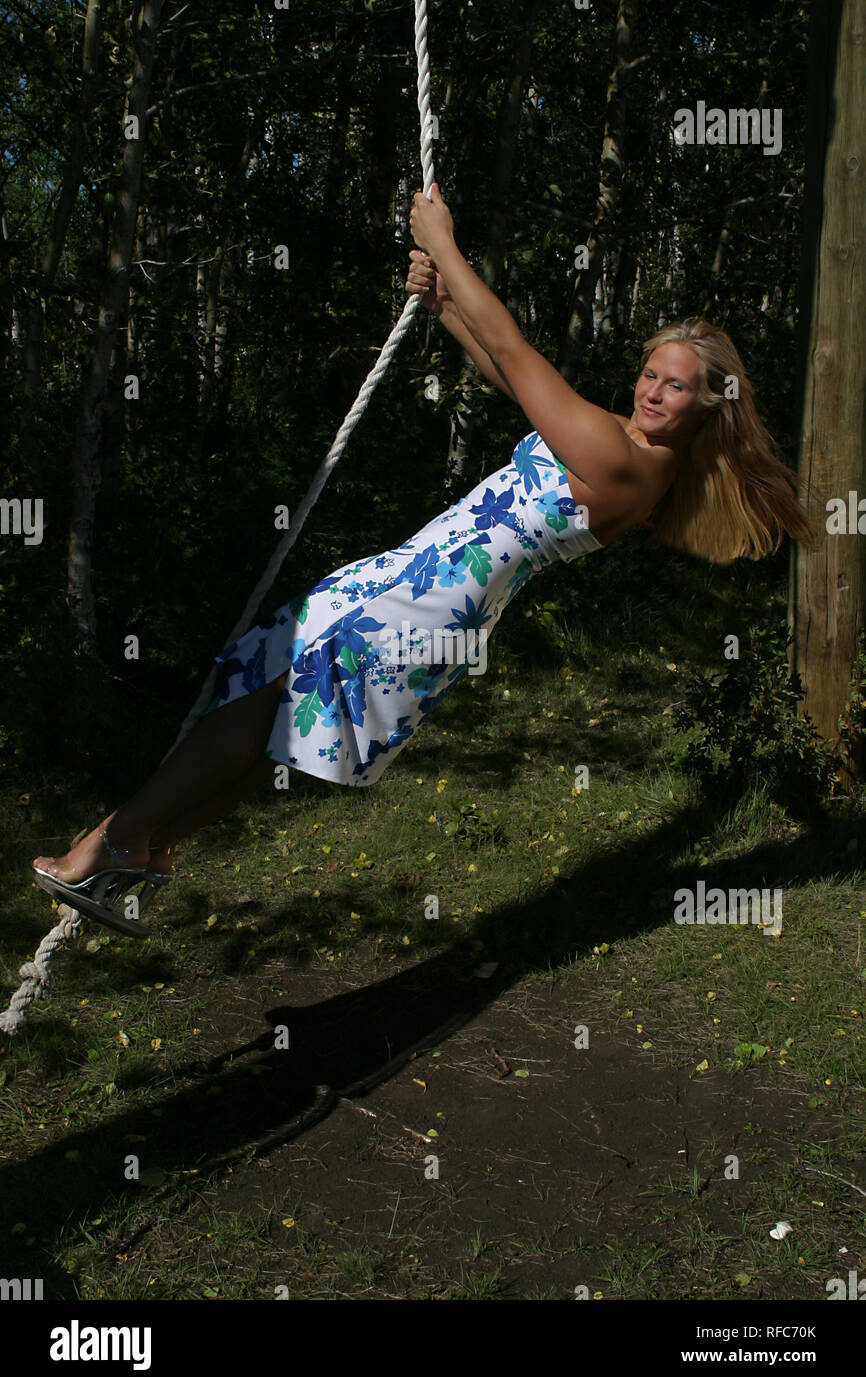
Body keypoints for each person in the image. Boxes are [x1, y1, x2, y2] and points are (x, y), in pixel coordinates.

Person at [32, 184, 814, 937]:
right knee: (272, 706)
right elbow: (508, 375)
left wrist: (446, 245)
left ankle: (119, 840)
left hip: (428, 599)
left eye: (675, 387)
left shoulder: (626, 466)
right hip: (425, 587)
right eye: (650, 373)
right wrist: (443, 307)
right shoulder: (626, 441)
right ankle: (151, 843)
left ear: (710, 402)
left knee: (274, 680)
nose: (651, 391)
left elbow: (514, 346)